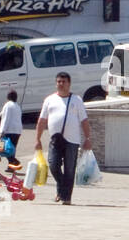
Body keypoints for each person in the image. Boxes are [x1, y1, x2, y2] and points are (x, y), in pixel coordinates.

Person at [34, 72, 92, 206]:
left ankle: (66, 196)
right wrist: (37, 139)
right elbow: (42, 120)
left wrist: (87, 138)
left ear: (69, 83)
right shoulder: (50, 100)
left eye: (63, 82)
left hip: (72, 140)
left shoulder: (76, 100)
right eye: (59, 81)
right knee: (53, 165)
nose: (61, 84)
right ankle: (62, 188)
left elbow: (84, 120)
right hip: (55, 139)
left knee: (69, 169)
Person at [0, 90, 23, 169]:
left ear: (8, 97)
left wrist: (2, 131)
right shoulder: (17, 106)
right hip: (17, 130)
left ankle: (13, 161)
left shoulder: (8, 105)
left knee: (3, 148)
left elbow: (5, 118)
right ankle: (11, 166)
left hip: (9, 130)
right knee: (12, 148)